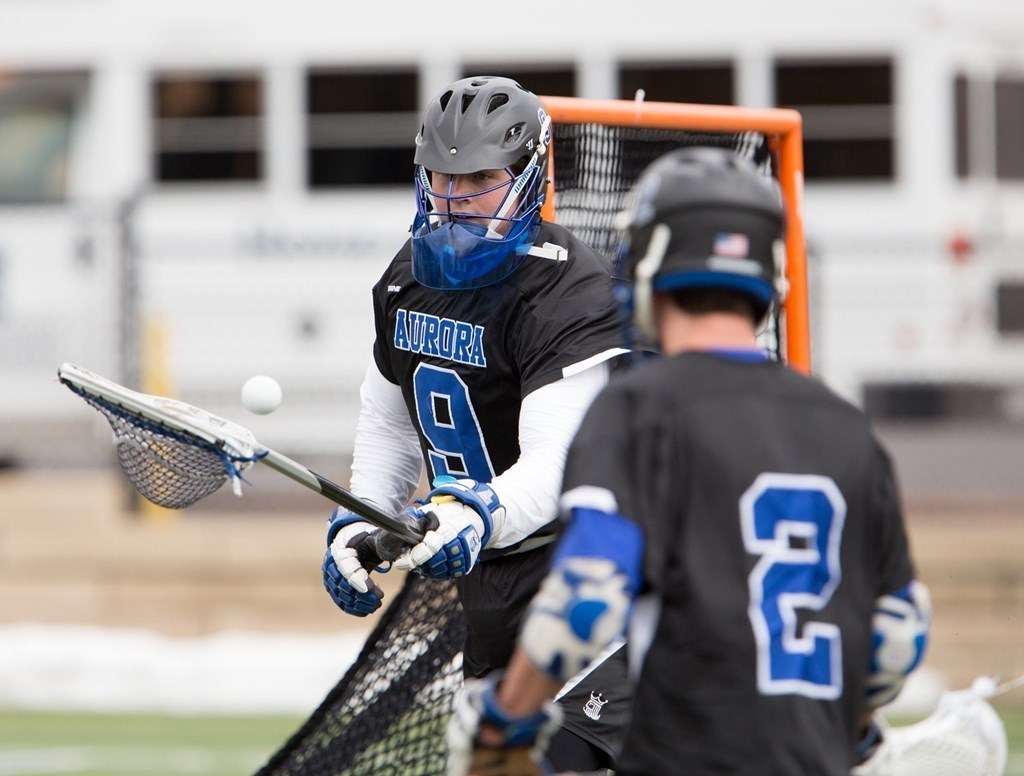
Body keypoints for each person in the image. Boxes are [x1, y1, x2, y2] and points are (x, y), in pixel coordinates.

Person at [446, 146, 932, 776]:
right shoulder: (846, 428)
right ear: (771, 272)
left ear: (650, 263)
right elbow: (897, 635)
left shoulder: (636, 411)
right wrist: (856, 730)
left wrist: (504, 724)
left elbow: (585, 601)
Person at [319, 75, 629, 771]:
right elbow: (389, 420)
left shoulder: (567, 289)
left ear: (527, 176)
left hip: (583, 578)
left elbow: (561, 462)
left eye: (480, 179)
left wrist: (474, 514)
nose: (456, 199)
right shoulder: (407, 274)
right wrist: (359, 518)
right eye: (442, 178)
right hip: (487, 584)